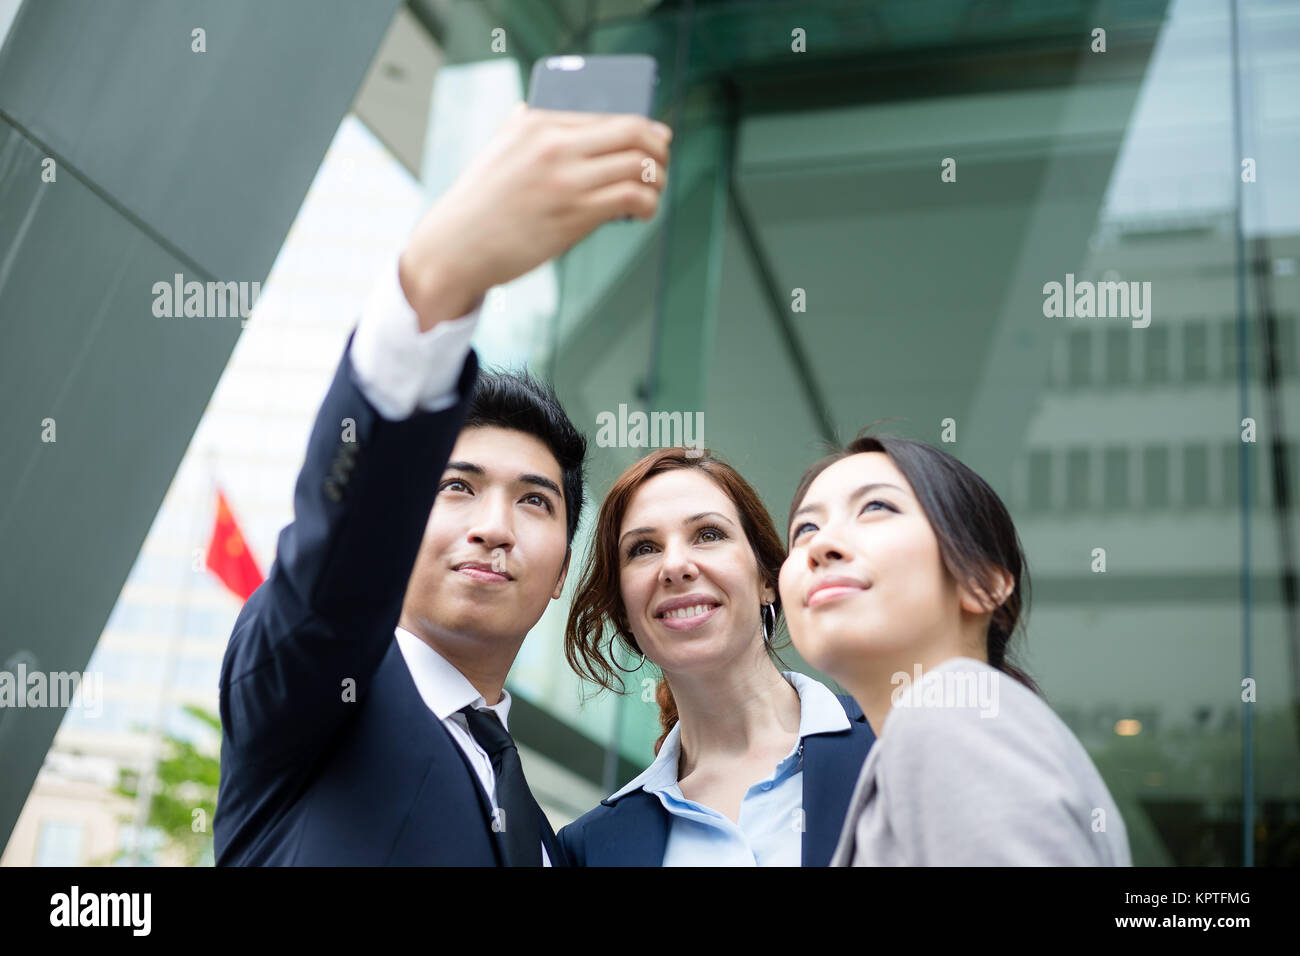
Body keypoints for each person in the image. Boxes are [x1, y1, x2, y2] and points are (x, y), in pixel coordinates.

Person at [213, 105, 673, 865]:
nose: (495, 525)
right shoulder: (313, 683)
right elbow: (340, 550)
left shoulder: (549, 843)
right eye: (457, 487)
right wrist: (441, 277)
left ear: (562, 569)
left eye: (534, 500)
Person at [779, 432, 1132, 866]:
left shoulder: (946, 717)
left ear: (982, 584)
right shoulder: (958, 725)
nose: (819, 546)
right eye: (805, 529)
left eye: (876, 507)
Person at [557, 448, 875, 866]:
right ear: (624, 613)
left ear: (767, 579)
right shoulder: (588, 849)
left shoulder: (894, 747)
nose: (674, 565)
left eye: (708, 535)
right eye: (644, 548)